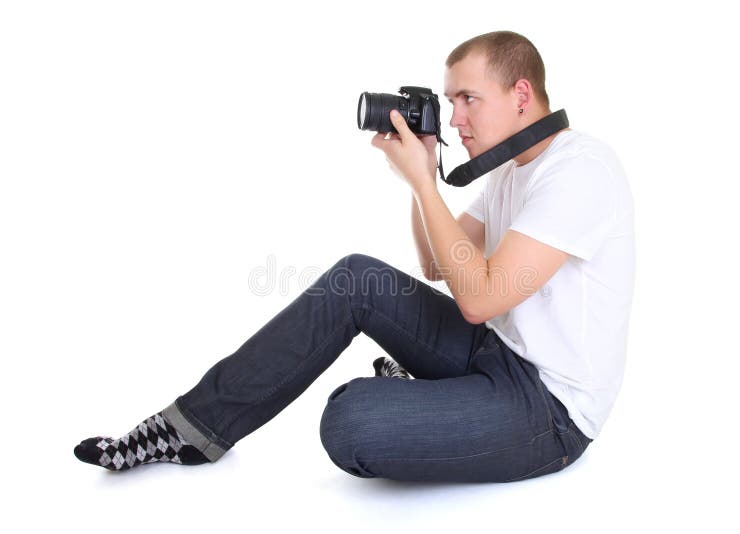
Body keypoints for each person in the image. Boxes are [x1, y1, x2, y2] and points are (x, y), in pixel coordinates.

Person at [74, 30, 635, 483]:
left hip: (549, 411)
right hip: (495, 353)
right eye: (451, 101)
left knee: (350, 422)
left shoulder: (579, 171)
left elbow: (480, 297)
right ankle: (191, 426)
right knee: (356, 278)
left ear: (520, 94)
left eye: (469, 99)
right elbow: (438, 266)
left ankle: (420, 398)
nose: (456, 117)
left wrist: (426, 184)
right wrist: (419, 181)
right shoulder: (512, 170)